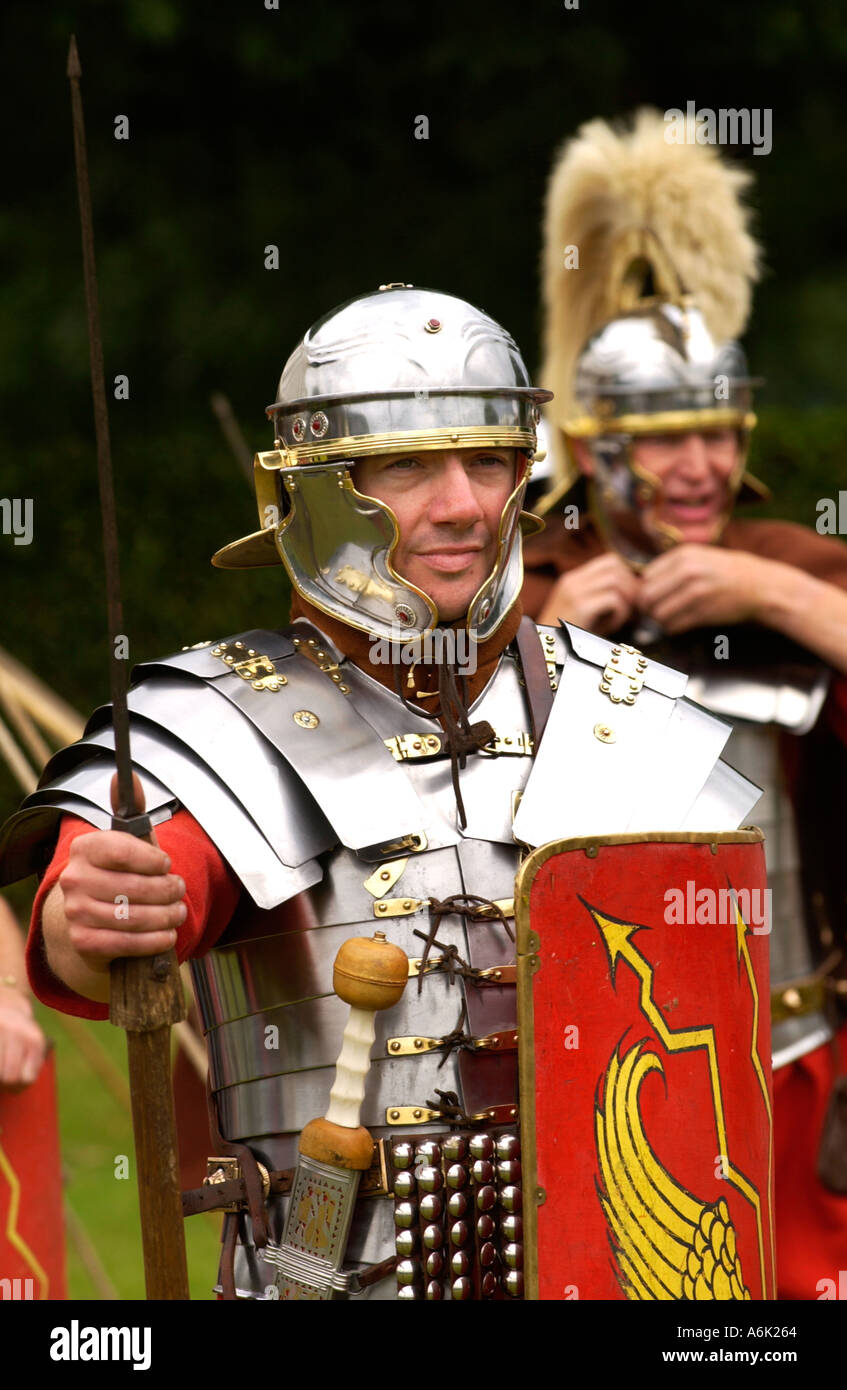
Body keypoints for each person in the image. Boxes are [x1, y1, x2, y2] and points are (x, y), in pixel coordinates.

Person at [1, 284, 758, 1300]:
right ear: (313, 486)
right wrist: (91, 920)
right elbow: (110, 923)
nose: (460, 506)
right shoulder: (213, 722)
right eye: (405, 466)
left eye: (486, 462)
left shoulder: (636, 714)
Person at [523, 111, 847, 1298]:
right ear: (597, 447)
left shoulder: (793, 566)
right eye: (666, 440)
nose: (702, 464)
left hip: (806, 1049)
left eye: (717, 428)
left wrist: (770, 590)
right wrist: (545, 648)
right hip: (609, 1057)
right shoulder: (523, 589)